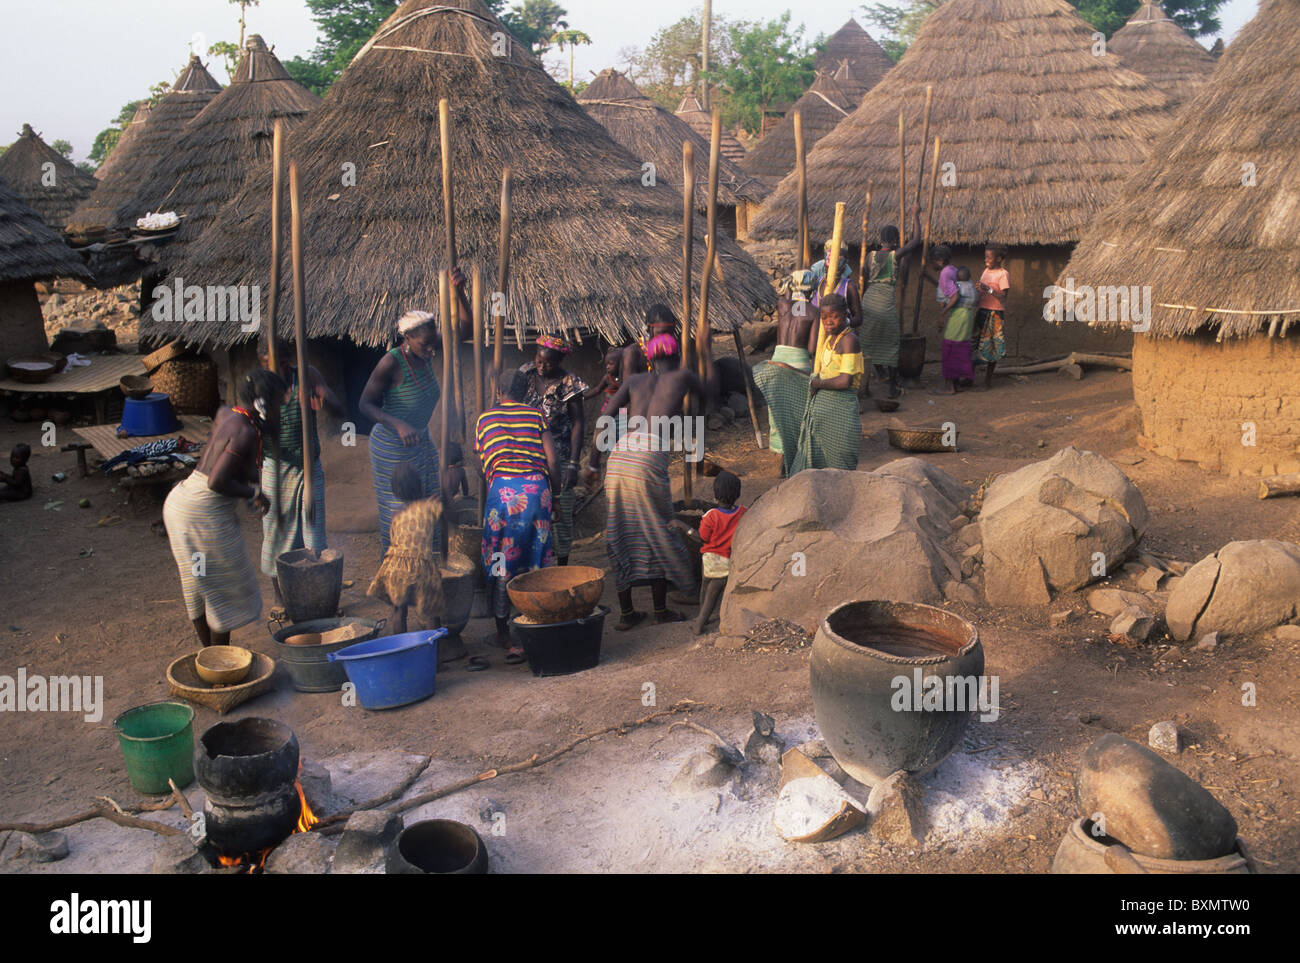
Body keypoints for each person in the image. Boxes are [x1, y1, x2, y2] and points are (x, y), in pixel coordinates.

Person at [163, 368, 288, 647]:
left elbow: (231, 464)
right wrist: (254, 492)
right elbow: (217, 481)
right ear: (263, 403)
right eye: (279, 402)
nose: (282, 409)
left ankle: (209, 657)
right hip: (201, 512)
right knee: (225, 589)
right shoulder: (245, 432)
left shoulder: (228, 415)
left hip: (180, 503)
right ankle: (219, 660)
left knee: (197, 583)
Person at [601, 326, 709, 629]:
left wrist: (593, 462)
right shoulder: (683, 376)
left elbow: (607, 414)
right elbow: (710, 392)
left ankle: (626, 616)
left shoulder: (634, 380)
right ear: (676, 356)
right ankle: (661, 610)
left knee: (619, 530)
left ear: (649, 360)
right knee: (658, 530)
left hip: (621, 455)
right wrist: (706, 350)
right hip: (648, 456)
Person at [476, 369, 559, 661]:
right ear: (526, 392)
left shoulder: (485, 419)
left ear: (498, 390)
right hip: (537, 493)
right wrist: (555, 496)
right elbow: (552, 460)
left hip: (502, 496)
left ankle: (503, 632)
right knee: (537, 559)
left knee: (502, 562)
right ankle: (540, 622)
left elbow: (481, 460)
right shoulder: (536, 416)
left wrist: (495, 485)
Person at [256, 337, 345, 610]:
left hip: (309, 466)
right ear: (262, 362)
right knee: (276, 532)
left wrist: (321, 398)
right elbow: (251, 430)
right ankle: (281, 597)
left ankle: (318, 593)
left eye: (284, 361)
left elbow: (340, 409)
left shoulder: (306, 375)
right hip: (276, 465)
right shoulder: (258, 386)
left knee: (314, 531)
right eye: (274, 362)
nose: (281, 367)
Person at [518, 335, 586, 566]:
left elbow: (578, 423)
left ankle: (562, 569)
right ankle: (533, 564)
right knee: (530, 511)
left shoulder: (570, 383)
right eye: (539, 360)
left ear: (559, 361)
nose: (541, 366)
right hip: (527, 458)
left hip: (560, 455)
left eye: (547, 362)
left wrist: (574, 464)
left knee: (561, 515)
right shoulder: (525, 373)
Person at [367, 460, 444, 636]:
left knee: (398, 612)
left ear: (396, 491)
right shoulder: (431, 507)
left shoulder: (396, 515)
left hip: (393, 567)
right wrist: (444, 493)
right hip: (421, 567)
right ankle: (434, 656)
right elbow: (452, 515)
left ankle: (401, 651)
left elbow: (395, 540)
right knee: (432, 613)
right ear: (419, 485)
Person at [791, 294, 865, 473]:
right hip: (822, 415)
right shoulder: (828, 340)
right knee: (817, 466)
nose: (828, 321)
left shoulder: (849, 341)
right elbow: (824, 373)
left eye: (834, 316)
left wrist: (816, 384)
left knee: (841, 466)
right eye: (824, 317)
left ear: (845, 314)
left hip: (840, 413)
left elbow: (844, 381)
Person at [753, 270, 817, 475]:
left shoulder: (782, 306)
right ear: (812, 288)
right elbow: (813, 348)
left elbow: (792, 305)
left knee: (778, 409)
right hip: (798, 362)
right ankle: (795, 456)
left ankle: (782, 454)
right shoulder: (813, 311)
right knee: (798, 411)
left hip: (778, 358)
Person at [859, 214, 923, 399]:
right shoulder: (895, 255)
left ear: (881, 239)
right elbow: (916, 240)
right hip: (885, 303)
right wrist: (916, 214)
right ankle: (892, 388)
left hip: (869, 301)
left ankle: (866, 386)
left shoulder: (870, 256)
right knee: (892, 343)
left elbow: (865, 279)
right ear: (895, 240)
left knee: (868, 343)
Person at [674, 471, 745, 636]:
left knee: (707, 590)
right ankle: (702, 619)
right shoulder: (743, 512)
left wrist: (682, 525)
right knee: (713, 592)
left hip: (709, 560)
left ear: (715, 494)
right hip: (727, 559)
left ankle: (699, 622)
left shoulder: (711, 516)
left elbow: (701, 538)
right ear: (738, 493)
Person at [935, 266, 978, 395]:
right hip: (968, 319)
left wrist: (942, 311)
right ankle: (957, 383)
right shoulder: (972, 287)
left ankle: (950, 387)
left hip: (957, 319)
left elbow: (949, 299)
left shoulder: (957, 286)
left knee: (950, 349)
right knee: (961, 350)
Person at [974, 244, 1011, 388]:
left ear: (999, 259)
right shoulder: (986, 271)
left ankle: (987, 381)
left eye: (989, 257)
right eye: (985, 257)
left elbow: (1003, 297)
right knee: (976, 344)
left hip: (995, 313)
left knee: (993, 347)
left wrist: (987, 289)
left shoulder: (1003, 274)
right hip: (982, 310)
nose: (986, 260)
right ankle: (970, 377)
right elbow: (982, 289)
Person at [582, 348, 623, 480]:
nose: (608, 367)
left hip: (622, 415)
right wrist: (584, 396)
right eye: (606, 364)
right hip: (609, 414)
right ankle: (612, 467)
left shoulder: (626, 379)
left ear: (622, 364)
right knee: (609, 439)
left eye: (611, 364)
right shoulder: (607, 378)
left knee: (621, 439)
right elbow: (597, 390)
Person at [809, 239, 863, 327]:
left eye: (840, 263)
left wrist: (844, 322)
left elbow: (858, 318)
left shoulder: (849, 287)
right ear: (825, 265)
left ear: (845, 265)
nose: (835, 269)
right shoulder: (816, 282)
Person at [619, 304, 677, 382]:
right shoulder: (633, 353)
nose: (666, 338)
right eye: (661, 333)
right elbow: (628, 389)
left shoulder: (675, 350)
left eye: (670, 334)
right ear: (648, 329)